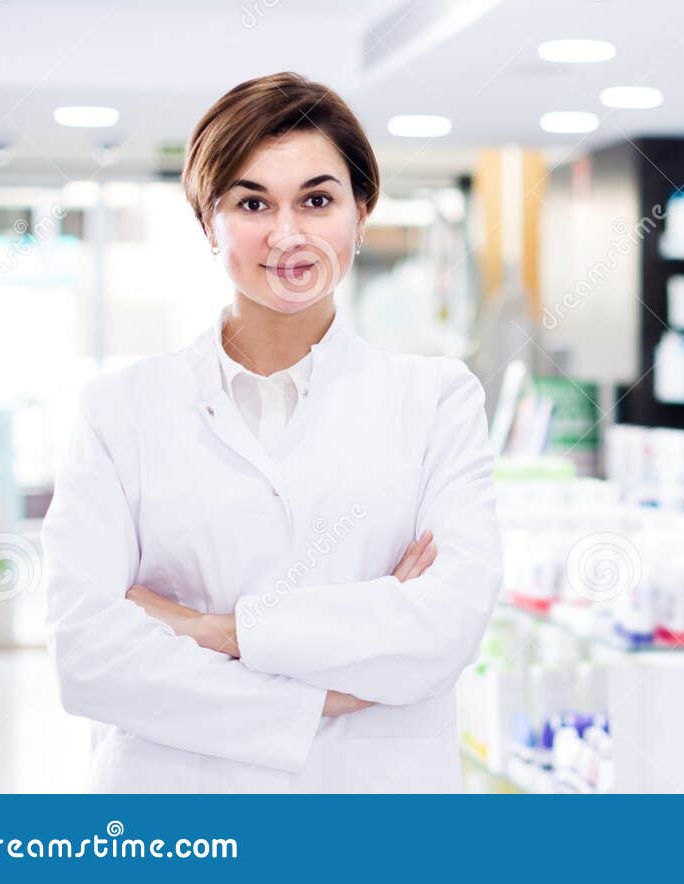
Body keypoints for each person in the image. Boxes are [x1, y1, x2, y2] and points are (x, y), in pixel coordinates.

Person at [41, 72, 502, 793]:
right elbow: (87, 657)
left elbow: (445, 627)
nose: (287, 234)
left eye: (317, 200)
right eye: (252, 202)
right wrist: (332, 688)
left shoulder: (436, 401)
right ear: (207, 221)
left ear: (362, 209)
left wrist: (215, 630)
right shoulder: (117, 410)